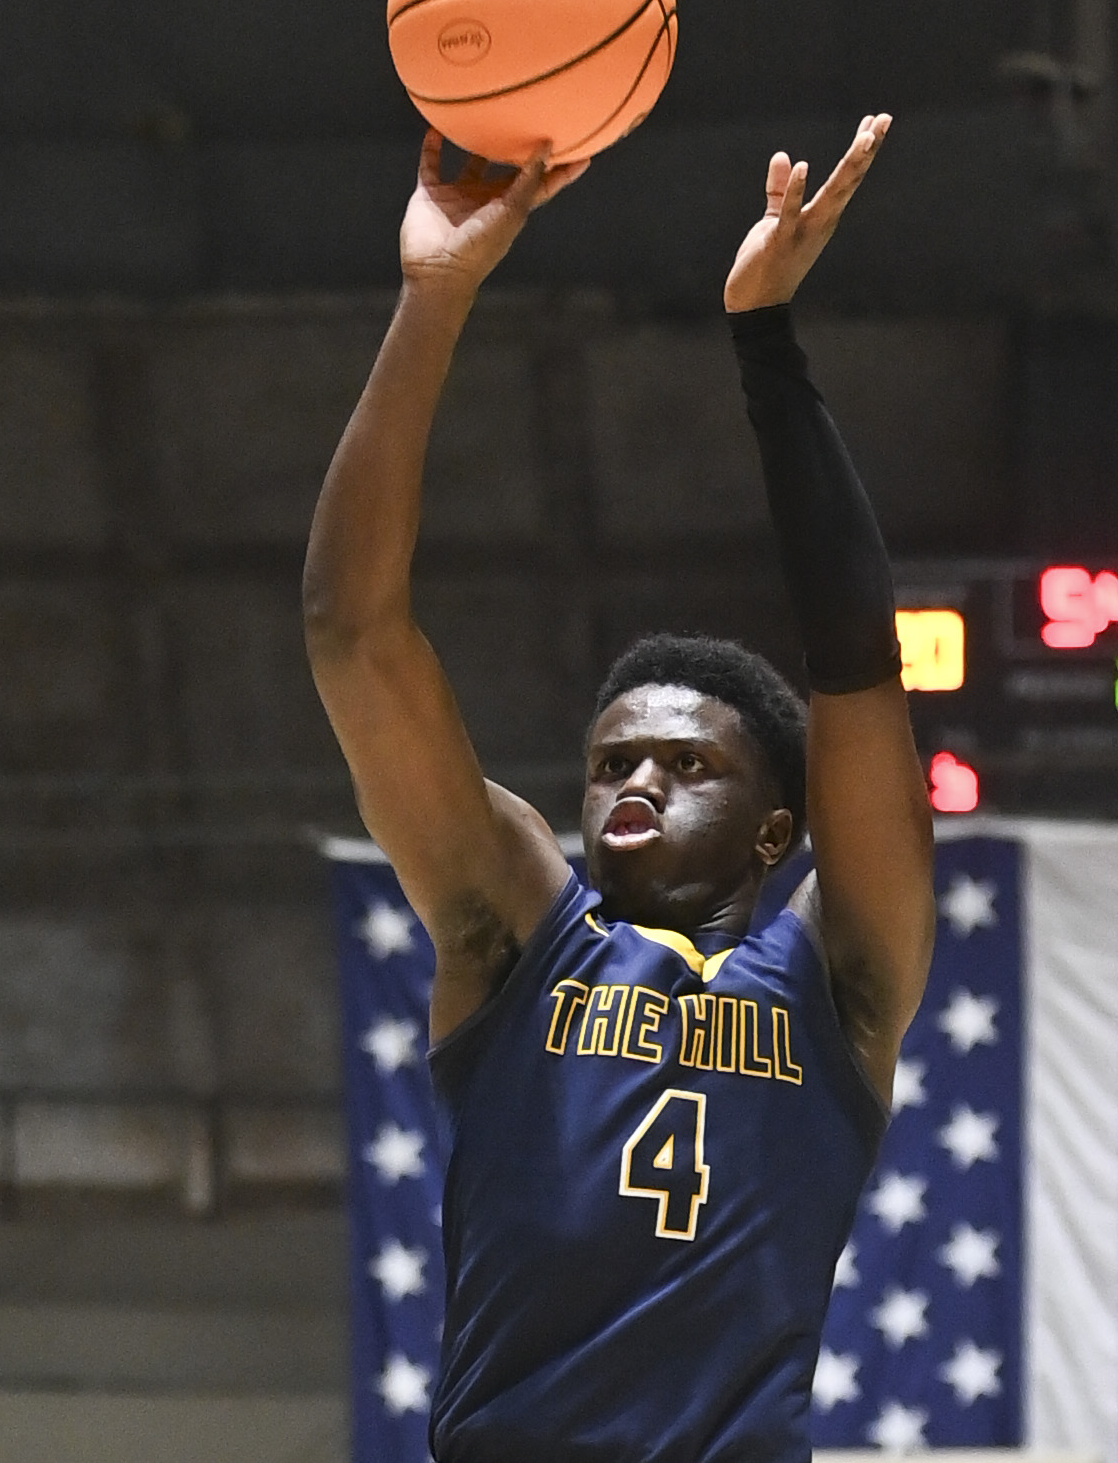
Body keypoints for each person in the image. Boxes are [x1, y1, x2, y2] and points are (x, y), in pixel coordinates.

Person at [304, 115, 935, 1463]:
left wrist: (765, 343)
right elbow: (351, 634)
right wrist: (434, 296)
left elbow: (858, 664)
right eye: (609, 763)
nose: (635, 779)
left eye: (687, 763)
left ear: (777, 827)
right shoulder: (516, 932)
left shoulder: (836, 979)